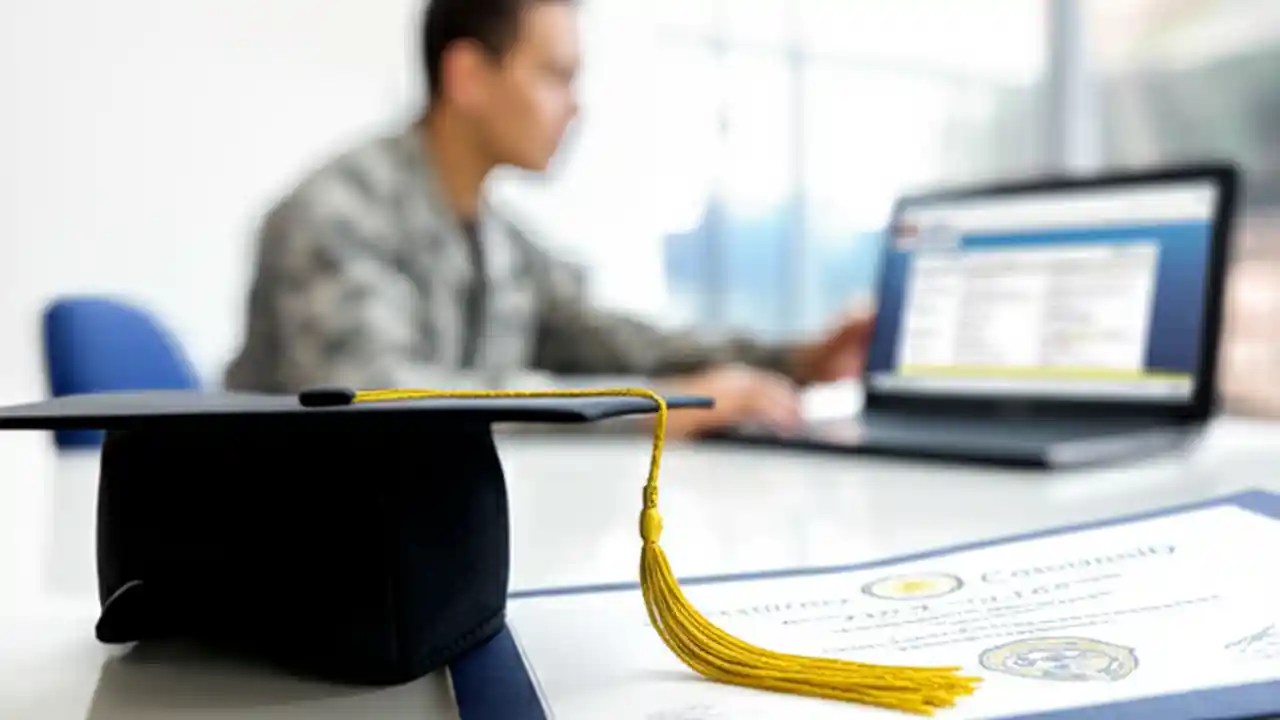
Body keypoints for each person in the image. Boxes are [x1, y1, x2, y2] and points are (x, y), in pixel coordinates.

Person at [223, 0, 874, 439]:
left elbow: (616, 341)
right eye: (556, 77)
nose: (575, 108)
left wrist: (797, 359)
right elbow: (385, 406)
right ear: (469, 76)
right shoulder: (335, 216)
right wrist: (662, 409)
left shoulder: (499, 240)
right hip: (291, 575)